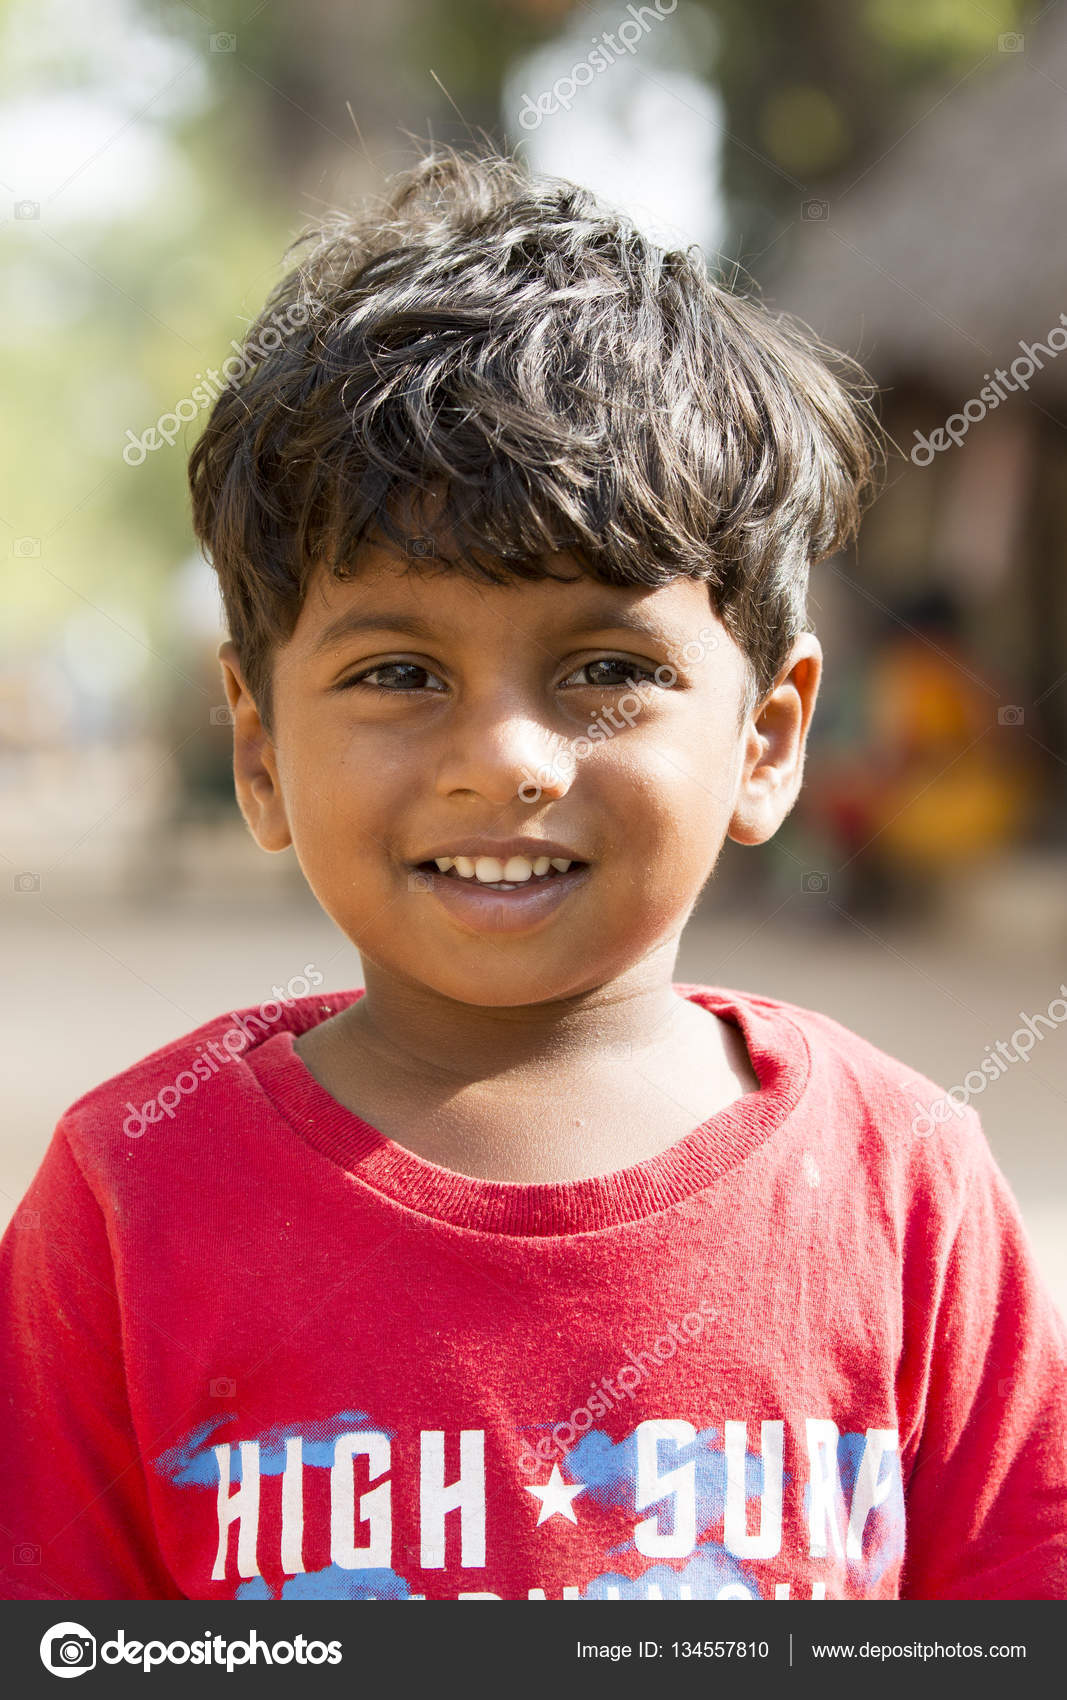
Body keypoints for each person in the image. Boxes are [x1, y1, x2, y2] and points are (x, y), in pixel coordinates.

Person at [1, 150, 1063, 1603]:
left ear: (766, 741)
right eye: (397, 671)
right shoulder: (130, 1203)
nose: (506, 757)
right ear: (257, 751)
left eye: (609, 670)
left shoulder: (907, 1190)